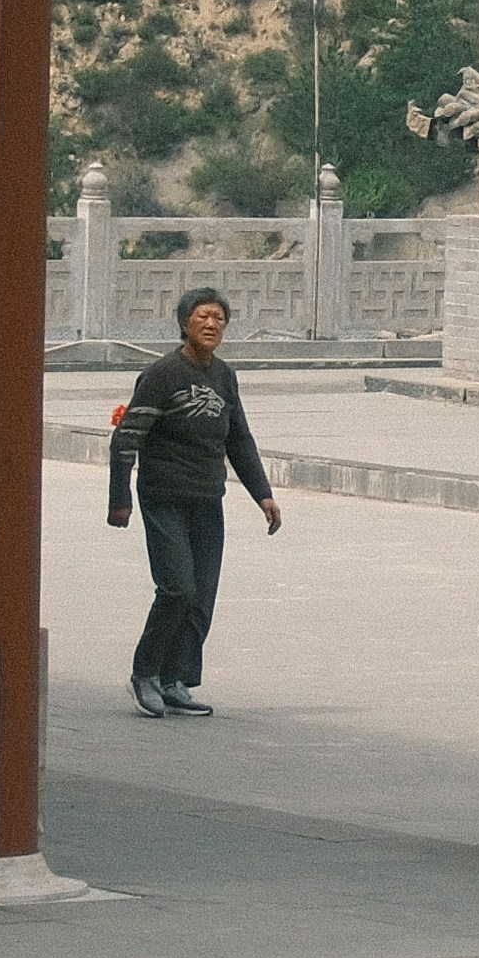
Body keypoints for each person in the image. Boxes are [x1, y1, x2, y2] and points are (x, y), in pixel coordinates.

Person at [102, 288, 281, 722]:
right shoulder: (161, 374)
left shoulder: (224, 377)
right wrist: (120, 499)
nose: (211, 324)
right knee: (177, 588)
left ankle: (175, 681)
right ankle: (145, 673)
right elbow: (126, 438)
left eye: (219, 317)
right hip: (163, 497)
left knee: (201, 597)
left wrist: (263, 494)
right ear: (185, 323)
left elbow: (239, 438)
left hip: (206, 500)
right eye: (203, 316)